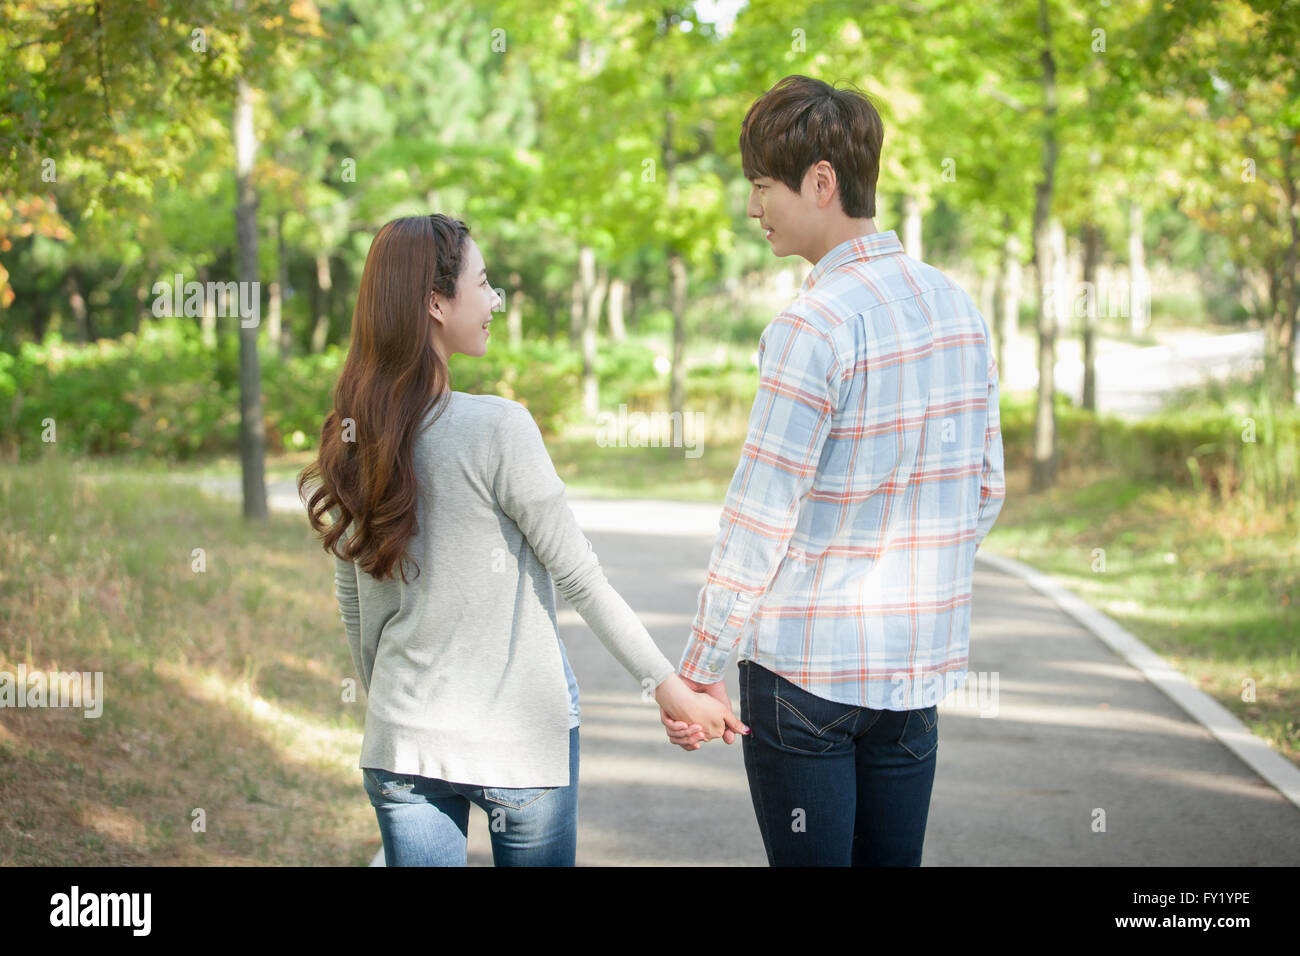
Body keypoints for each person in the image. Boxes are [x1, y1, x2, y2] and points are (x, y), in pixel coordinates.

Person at [299, 214, 746, 867]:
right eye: (483, 285)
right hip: (519, 740)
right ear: (434, 303)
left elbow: (354, 599)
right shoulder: (499, 429)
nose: (493, 302)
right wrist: (669, 687)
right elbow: (581, 578)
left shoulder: (356, 432)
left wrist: (399, 704)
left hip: (404, 740)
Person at [661, 75, 1007, 866]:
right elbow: (985, 489)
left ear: (821, 182)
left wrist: (701, 667)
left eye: (761, 186)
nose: (753, 208)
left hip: (805, 675)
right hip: (912, 679)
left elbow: (759, 517)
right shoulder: (958, 306)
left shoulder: (811, 324)